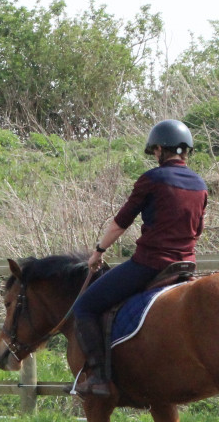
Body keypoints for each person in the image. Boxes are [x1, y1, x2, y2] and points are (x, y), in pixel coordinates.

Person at [73, 119, 208, 396]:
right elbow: (198, 229)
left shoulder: (151, 179)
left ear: (160, 149)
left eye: (155, 151)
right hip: (186, 264)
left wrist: (98, 252)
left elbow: (121, 222)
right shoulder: (200, 184)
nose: (155, 155)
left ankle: (98, 377)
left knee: (85, 306)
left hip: (151, 264)